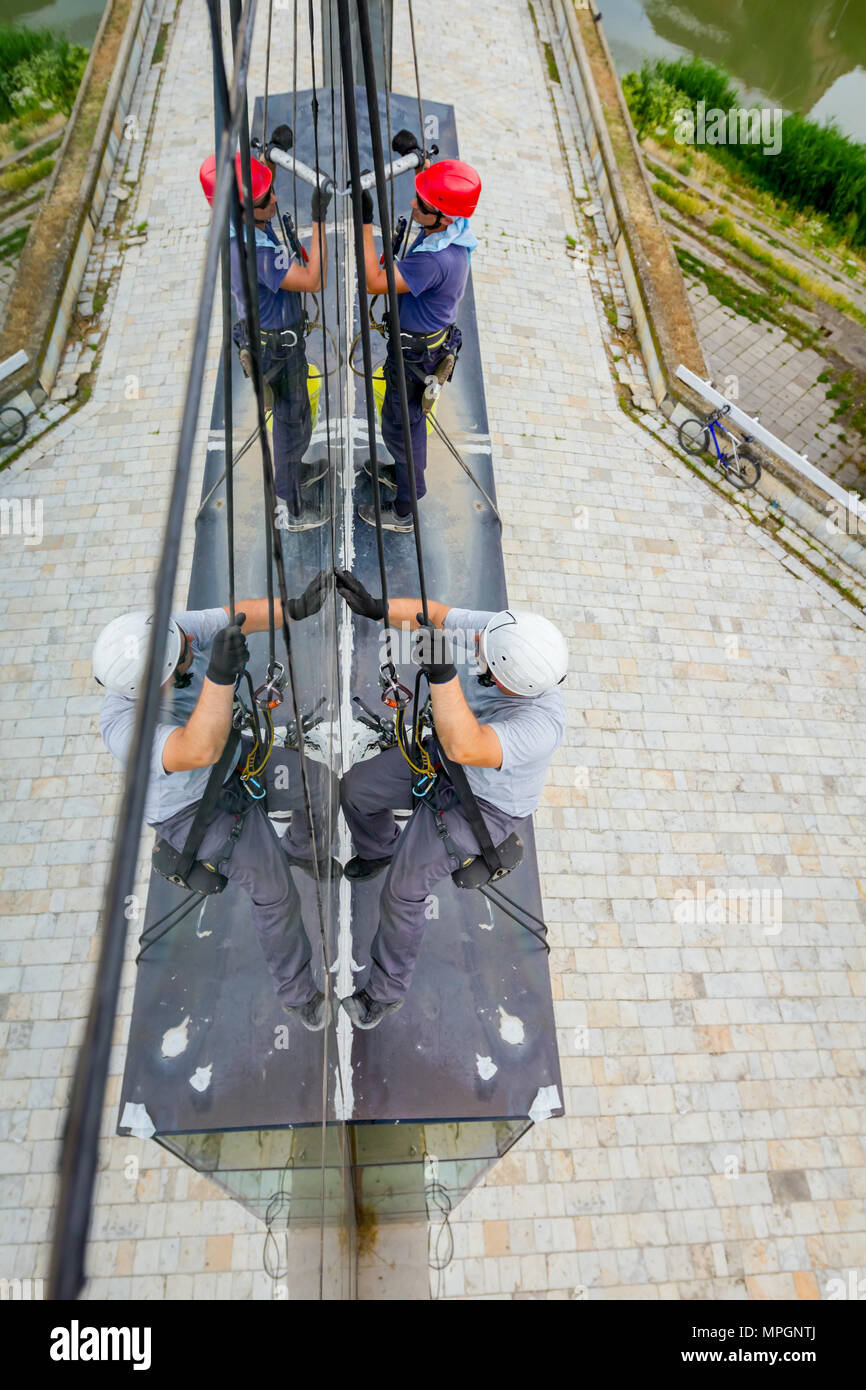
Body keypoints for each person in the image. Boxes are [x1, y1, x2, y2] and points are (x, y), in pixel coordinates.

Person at [93, 575, 338, 1031]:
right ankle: (296, 993)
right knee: (275, 893)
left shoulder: (165, 635)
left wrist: (295, 608)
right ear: (162, 683)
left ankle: (302, 849)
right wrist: (219, 676)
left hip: (229, 760)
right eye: (186, 652)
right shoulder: (123, 727)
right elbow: (195, 749)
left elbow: (236, 615)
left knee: (319, 785)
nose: (190, 641)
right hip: (193, 812)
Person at [334, 569, 568, 1028]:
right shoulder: (509, 637)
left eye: (481, 653)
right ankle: (378, 848)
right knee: (356, 789)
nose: (475, 643)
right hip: (447, 759)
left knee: (404, 891)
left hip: (483, 806)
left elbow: (470, 746)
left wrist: (442, 675)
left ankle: (385, 991)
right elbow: (437, 615)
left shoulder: (542, 726)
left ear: (502, 679)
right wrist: (378, 607)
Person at [199, 142, 330, 530]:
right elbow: (313, 280)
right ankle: (292, 507)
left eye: (270, 190)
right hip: (277, 351)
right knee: (291, 426)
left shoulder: (245, 224)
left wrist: (268, 154)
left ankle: (295, 473)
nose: (273, 200)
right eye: (263, 198)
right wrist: (319, 221)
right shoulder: (252, 249)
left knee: (299, 418)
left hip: (275, 340)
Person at [358, 136, 481, 533]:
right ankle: (400, 472)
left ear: (441, 217)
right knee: (399, 419)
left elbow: (374, 281)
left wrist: (364, 221)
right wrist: (421, 166)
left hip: (413, 358)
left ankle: (404, 508)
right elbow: (437, 195)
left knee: (401, 425)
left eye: (420, 204)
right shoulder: (453, 228)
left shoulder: (433, 260)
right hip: (428, 346)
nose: (413, 206)